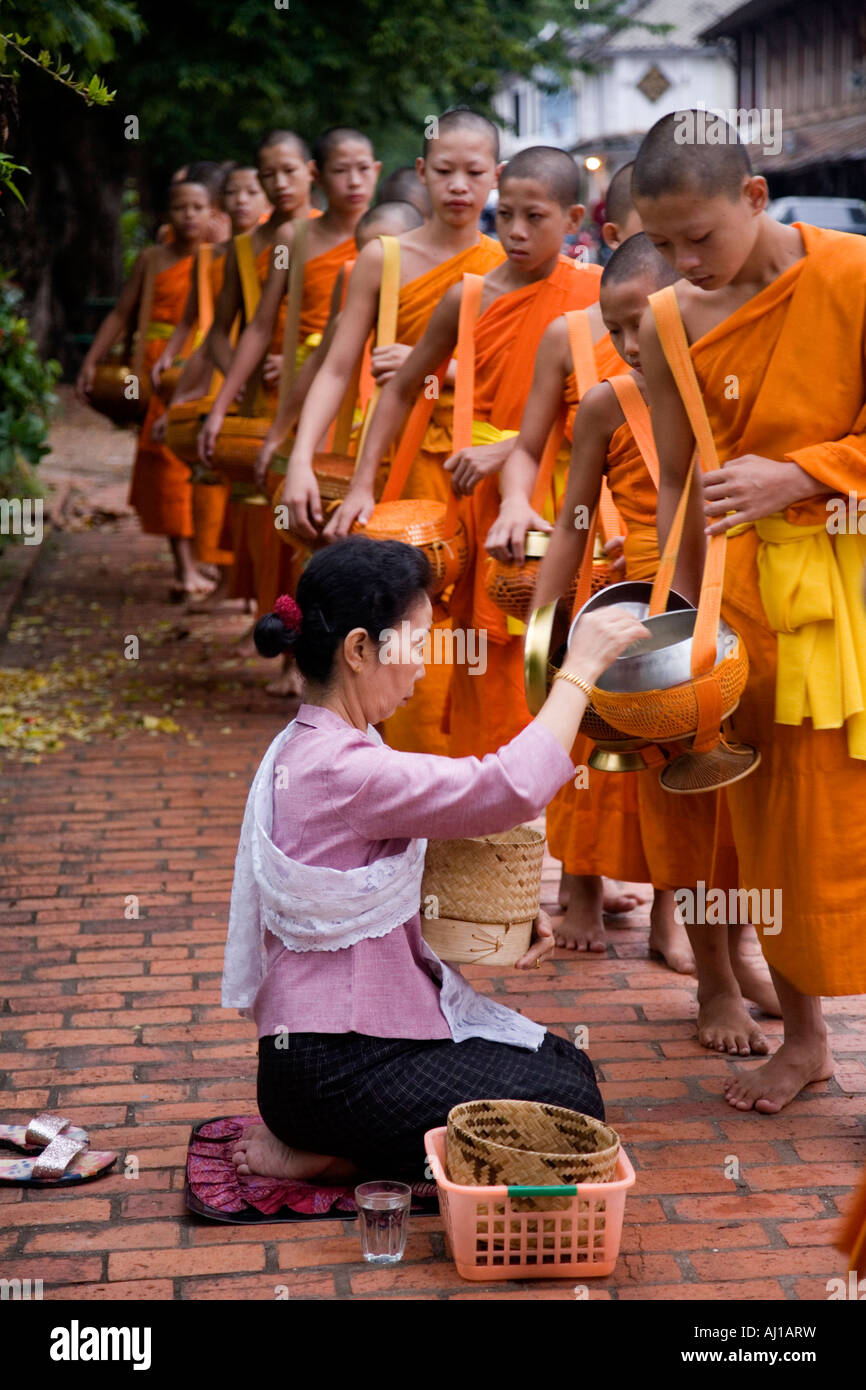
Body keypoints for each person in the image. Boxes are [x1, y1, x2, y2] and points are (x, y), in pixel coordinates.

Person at [223, 534, 648, 1183]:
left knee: (568, 1068)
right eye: (414, 646)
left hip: (345, 1051)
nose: (423, 667)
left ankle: (342, 1149)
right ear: (360, 649)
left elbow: (379, 884)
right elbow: (505, 788)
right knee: (570, 1104)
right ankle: (332, 1158)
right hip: (328, 1073)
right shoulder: (338, 765)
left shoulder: (321, 742)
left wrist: (499, 920)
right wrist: (580, 670)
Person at [633, 109, 866, 1110]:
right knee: (782, 829)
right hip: (752, 609)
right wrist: (677, 627)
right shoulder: (664, 317)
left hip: (848, 580)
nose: (685, 260)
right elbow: (675, 483)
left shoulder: (854, 277)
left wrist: (801, 476)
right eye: (663, 243)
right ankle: (807, 1039)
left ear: (755, 197)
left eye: (701, 237)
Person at [527, 235, 779, 1051]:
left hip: (753, 599)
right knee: (686, 807)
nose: (632, 345)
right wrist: (544, 630)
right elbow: (570, 519)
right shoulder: (605, 401)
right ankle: (712, 983)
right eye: (616, 327)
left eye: (646, 324)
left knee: (750, 809)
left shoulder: (737, 385)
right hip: (654, 622)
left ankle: (741, 956)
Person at [332, 146, 600, 762]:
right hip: (473, 497)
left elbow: (607, 409)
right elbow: (399, 389)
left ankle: (553, 809)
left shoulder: (593, 293)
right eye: (505, 216)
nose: (517, 232)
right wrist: (362, 485)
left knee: (553, 645)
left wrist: (509, 449)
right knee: (480, 650)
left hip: (563, 496)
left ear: (573, 219)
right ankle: (478, 812)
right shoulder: (468, 296)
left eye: (536, 217)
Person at [280, 108, 506, 755]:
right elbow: (335, 368)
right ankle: (408, 785)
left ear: (496, 175)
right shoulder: (385, 259)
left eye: (474, 172)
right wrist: (304, 458)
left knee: (482, 636)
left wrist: (444, 367)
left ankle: (475, 804)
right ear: (420, 173)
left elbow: (530, 379)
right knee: (402, 620)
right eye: (445, 171)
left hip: (476, 466)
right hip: (398, 470)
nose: (459, 185)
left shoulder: (505, 265)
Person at [76, 173, 218, 599]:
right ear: (166, 213)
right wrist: (91, 360)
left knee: (205, 464)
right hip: (160, 372)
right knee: (167, 463)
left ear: (211, 212)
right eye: (180, 208)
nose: (189, 216)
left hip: (206, 367)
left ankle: (207, 560)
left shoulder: (220, 258)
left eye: (198, 207)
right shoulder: (153, 259)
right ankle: (184, 567)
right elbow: (121, 313)